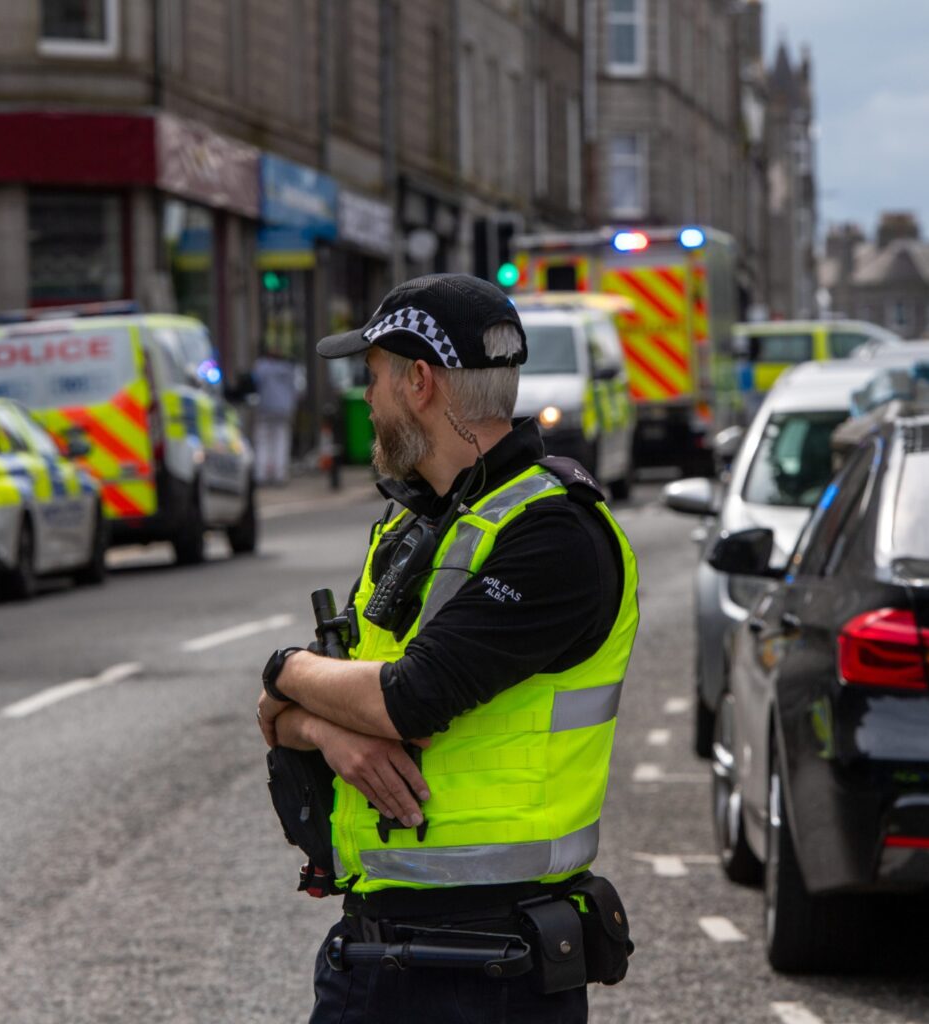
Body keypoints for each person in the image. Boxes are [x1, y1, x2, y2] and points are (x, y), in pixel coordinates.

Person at [257, 274, 640, 1023]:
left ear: (420, 382)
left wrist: (281, 670)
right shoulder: (412, 527)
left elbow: (409, 699)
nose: (366, 401)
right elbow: (291, 710)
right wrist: (328, 731)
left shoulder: (553, 535)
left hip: (488, 969)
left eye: (372, 380)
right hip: (376, 951)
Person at [250, 344, 302, 485]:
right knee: (282, 440)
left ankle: (262, 473)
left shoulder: (261, 367)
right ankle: (280, 474)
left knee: (262, 441)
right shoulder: (289, 369)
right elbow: (297, 390)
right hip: (284, 409)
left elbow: (253, 383)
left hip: (265, 408)